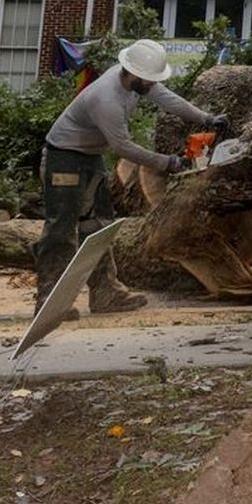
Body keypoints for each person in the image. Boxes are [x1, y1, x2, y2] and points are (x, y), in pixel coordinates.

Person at [33, 39, 229, 315]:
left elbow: (167, 98)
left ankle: (105, 294)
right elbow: (122, 147)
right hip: (63, 159)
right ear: (133, 73)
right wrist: (169, 163)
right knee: (61, 231)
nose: (152, 85)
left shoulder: (138, 79)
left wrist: (206, 118)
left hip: (89, 157)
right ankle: (49, 302)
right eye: (149, 80)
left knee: (99, 227)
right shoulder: (106, 99)